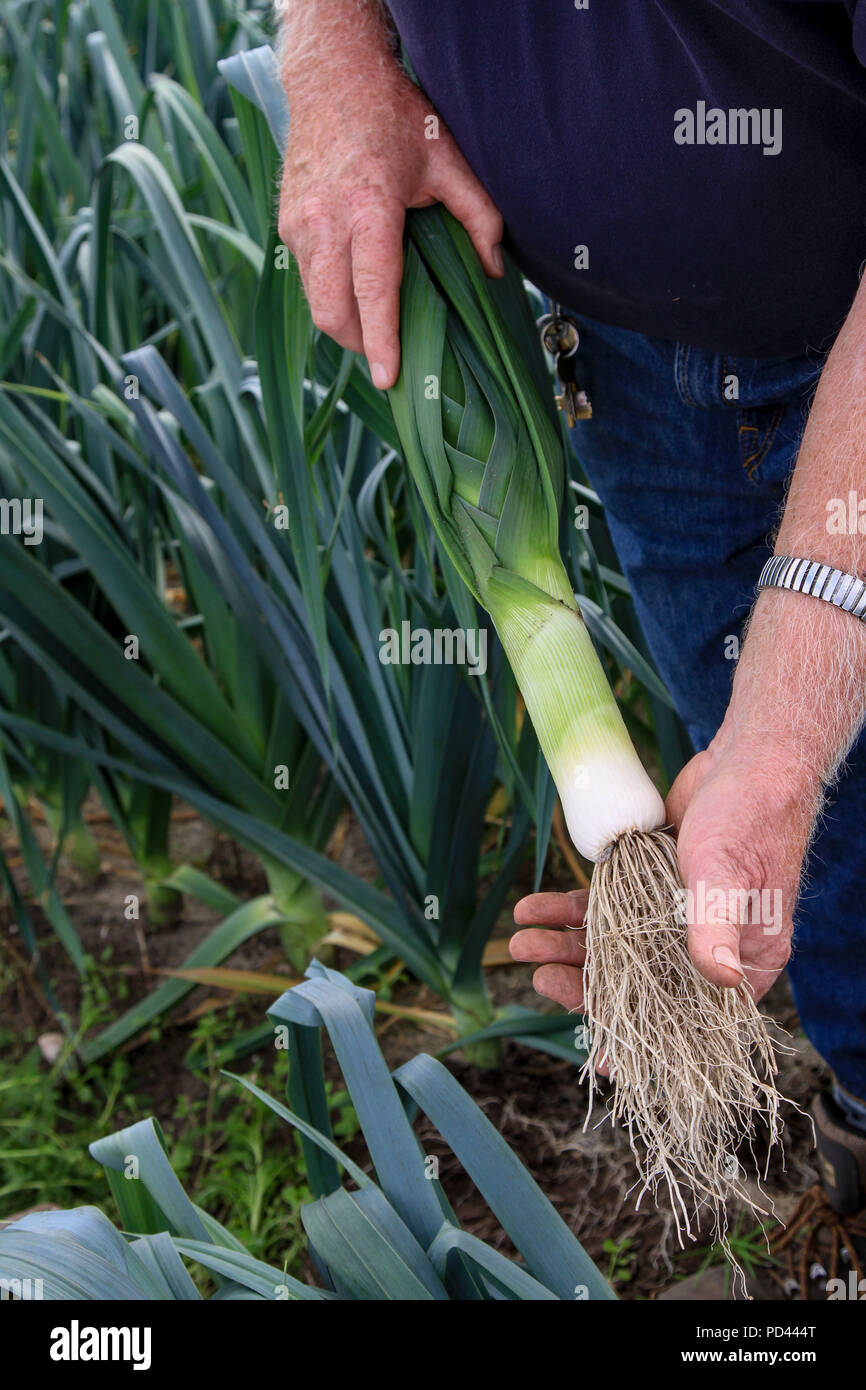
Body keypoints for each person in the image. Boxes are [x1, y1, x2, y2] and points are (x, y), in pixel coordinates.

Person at [276, 1, 866, 1274]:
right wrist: (331, 53)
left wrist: (776, 733)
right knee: (794, 833)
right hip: (613, 354)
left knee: (782, 766)